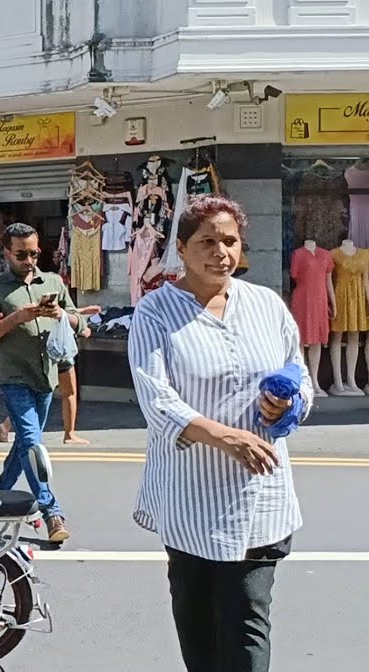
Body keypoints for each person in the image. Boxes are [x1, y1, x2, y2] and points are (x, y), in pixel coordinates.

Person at [130, 197, 306, 672]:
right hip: (192, 500)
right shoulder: (155, 314)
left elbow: (300, 376)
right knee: (199, 624)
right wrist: (227, 437)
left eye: (229, 241)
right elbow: (157, 399)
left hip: (259, 496)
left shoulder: (267, 305)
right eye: (206, 242)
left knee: (248, 620)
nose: (220, 252)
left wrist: (286, 403)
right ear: (182, 250)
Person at [0, 223, 85, 544]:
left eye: (35, 253)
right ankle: (52, 511)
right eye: (21, 254)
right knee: (33, 443)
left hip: (46, 376)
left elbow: (80, 322)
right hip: (14, 378)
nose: (29, 260)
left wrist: (63, 314)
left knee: (23, 443)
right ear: (7, 253)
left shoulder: (52, 281)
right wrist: (15, 319)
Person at [0, 303, 102, 445]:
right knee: (68, 392)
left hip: (51, 345)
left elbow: (58, 311)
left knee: (30, 400)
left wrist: (81, 312)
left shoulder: (49, 287)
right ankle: (69, 434)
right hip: (57, 346)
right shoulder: (48, 286)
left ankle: (6, 426)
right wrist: (81, 320)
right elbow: (55, 312)